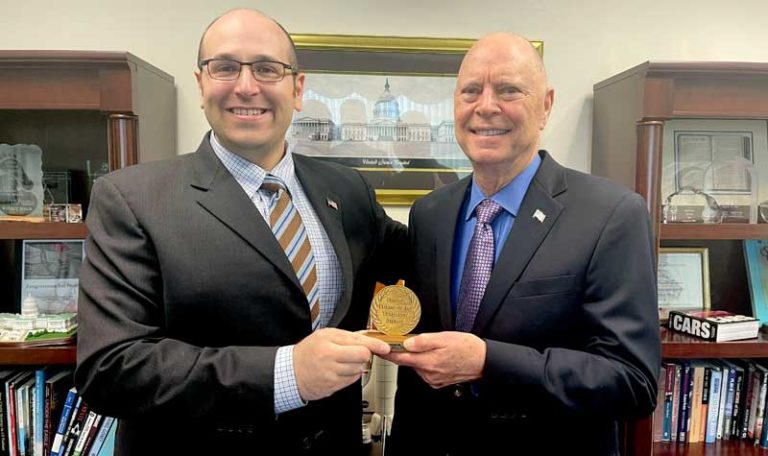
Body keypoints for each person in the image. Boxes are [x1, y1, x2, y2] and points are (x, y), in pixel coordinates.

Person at [74, 9, 406, 455]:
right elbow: (110, 369)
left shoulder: (345, 189)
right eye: (225, 67)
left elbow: (429, 257)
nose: (246, 86)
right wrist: (287, 373)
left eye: (267, 68)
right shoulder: (132, 199)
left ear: (298, 88)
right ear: (201, 83)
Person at [386, 32, 660, 455]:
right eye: (471, 91)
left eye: (509, 90)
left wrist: (487, 362)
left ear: (546, 105)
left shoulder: (612, 214)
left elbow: (632, 382)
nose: (486, 106)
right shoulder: (430, 213)